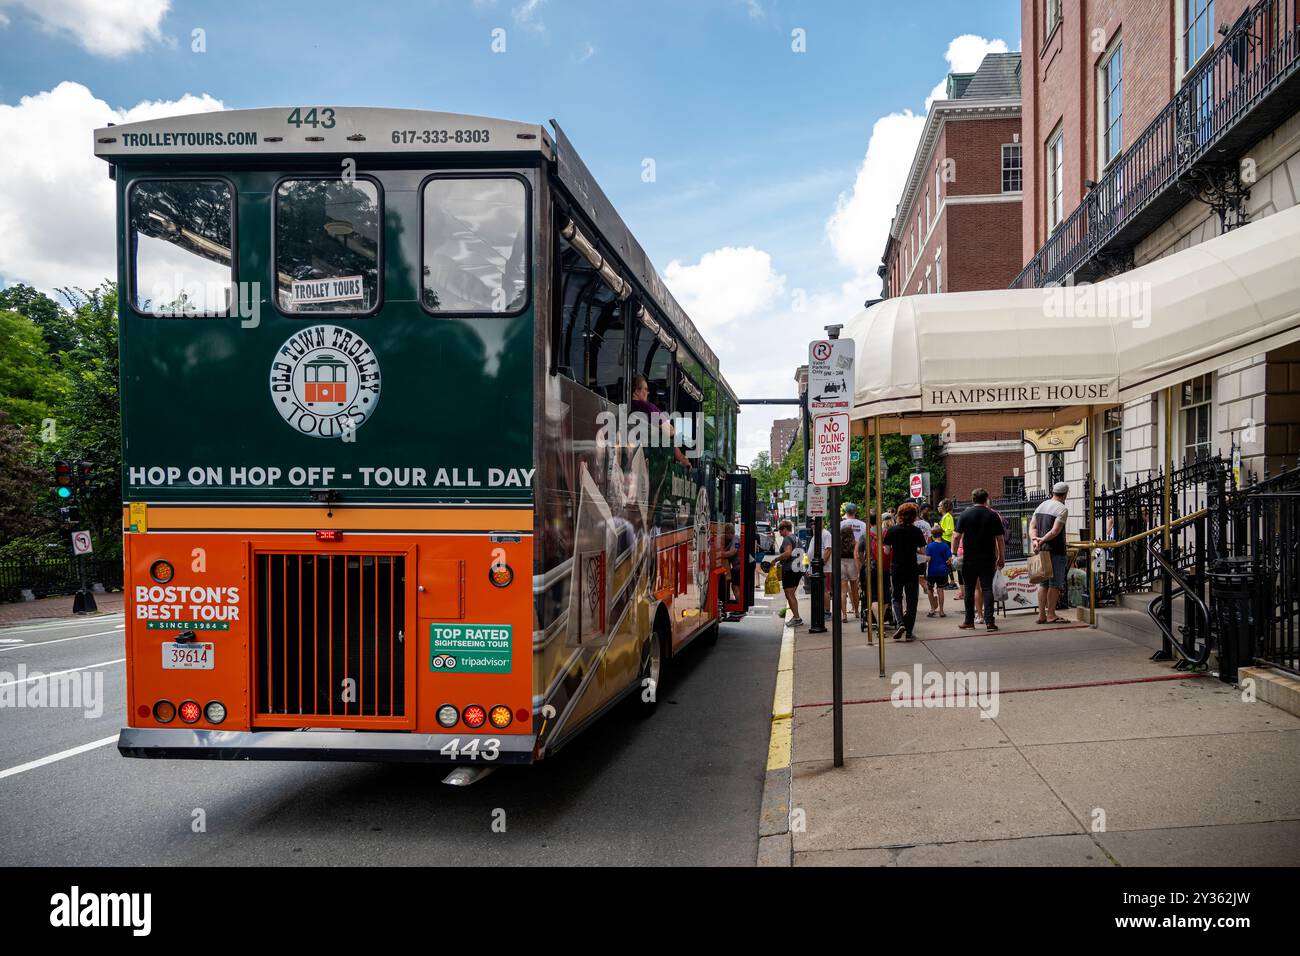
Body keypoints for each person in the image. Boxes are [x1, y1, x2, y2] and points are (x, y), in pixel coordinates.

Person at [951, 488, 1004, 631]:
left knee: (969, 589)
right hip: (988, 558)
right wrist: (1001, 557)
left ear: (972, 499)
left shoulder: (965, 514)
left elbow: (956, 536)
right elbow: (1000, 539)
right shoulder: (993, 516)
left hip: (969, 558)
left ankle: (969, 621)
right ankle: (990, 622)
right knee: (987, 589)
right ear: (986, 499)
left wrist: (954, 553)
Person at [883, 501, 927, 641]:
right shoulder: (916, 531)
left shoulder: (892, 530)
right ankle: (908, 632)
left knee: (896, 596)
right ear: (914, 516)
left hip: (896, 567)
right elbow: (922, 551)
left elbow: (886, 550)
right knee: (912, 599)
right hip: (912, 568)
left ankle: (900, 622)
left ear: (900, 515)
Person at [1030, 481, 1071, 624]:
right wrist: (1042, 540)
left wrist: (1035, 540)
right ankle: (1051, 614)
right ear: (1065, 494)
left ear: (1053, 492)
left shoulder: (1042, 505)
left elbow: (1032, 526)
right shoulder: (1062, 509)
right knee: (1055, 584)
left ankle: (1042, 615)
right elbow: (1055, 531)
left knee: (1043, 584)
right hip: (1056, 551)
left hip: (1042, 552)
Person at [630, 373, 690, 467]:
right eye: (645, 389)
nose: (648, 392)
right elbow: (669, 431)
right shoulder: (649, 408)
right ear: (636, 391)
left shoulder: (626, 408)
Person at [838, 503, 867, 621]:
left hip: (841, 561)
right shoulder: (863, 525)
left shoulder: (840, 524)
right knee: (855, 588)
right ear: (855, 511)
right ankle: (856, 611)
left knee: (842, 590)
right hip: (854, 560)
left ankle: (844, 614)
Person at [775, 519, 803, 626]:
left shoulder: (787, 538)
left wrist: (776, 559)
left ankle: (797, 618)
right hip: (797, 569)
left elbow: (787, 553)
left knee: (789, 594)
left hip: (790, 569)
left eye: (780, 531)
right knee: (791, 594)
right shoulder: (796, 537)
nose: (780, 534)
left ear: (785, 529)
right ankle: (796, 616)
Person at [924, 527, 952, 617]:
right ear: (942, 534)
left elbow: (928, 559)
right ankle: (941, 611)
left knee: (929, 589)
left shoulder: (930, 546)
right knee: (940, 589)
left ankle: (932, 609)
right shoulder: (945, 546)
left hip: (932, 571)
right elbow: (950, 560)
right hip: (942, 571)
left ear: (932, 535)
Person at [938, 499, 957, 588]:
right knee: (946, 562)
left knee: (948, 561)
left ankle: (952, 582)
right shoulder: (945, 516)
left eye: (940, 506)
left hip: (947, 541)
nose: (938, 507)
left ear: (945, 507)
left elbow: (950, 530)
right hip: (944, 540)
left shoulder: (948, 516)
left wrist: (940, 530)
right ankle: (949, 582)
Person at [720, 522, 740, 604]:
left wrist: (720, 554)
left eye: (725, 533)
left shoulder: (736, 541)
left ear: (730, 533)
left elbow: (732, 552)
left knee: (735, 587)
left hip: (739, 566)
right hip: (739, 566)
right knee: (736, 586)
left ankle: (739, 608)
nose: (724, 535)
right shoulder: (732, 540)